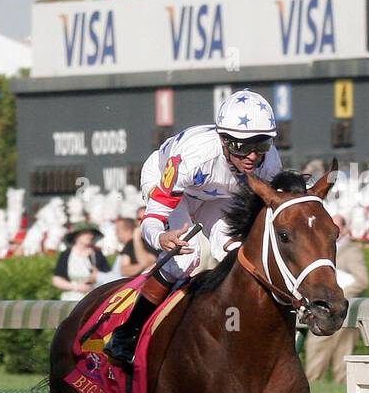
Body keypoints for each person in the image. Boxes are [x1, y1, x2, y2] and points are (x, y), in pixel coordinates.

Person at [104, 88, 284, 369]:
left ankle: (233, 331)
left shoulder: (270, 163)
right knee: (185, 260)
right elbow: (153, 217)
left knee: (237, 255)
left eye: (260, 145)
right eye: (241, 146)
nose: (252, 156)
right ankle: (127, 332)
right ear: (223, 140)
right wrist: (161, 236)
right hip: (175, 188)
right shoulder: (194, 156)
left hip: (218, 196)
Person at [304, 213, 369, 385]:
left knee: (341, 358)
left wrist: (337, 297)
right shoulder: (321, 249)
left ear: (345, 230)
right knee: (319, 352)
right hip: (327, 309)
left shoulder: (351, 251)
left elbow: (362, 280)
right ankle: (316, 389)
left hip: (341, 308)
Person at [52, 223, 110, 302]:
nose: (90, 236)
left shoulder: (97, 254)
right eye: (85, 233)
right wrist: (76, 287)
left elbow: (108, 277)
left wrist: (97, 276)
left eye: (91, 233)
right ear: (76, 236)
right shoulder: (66, 254)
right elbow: (56, 279)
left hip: (93, 299)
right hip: (71, 298)